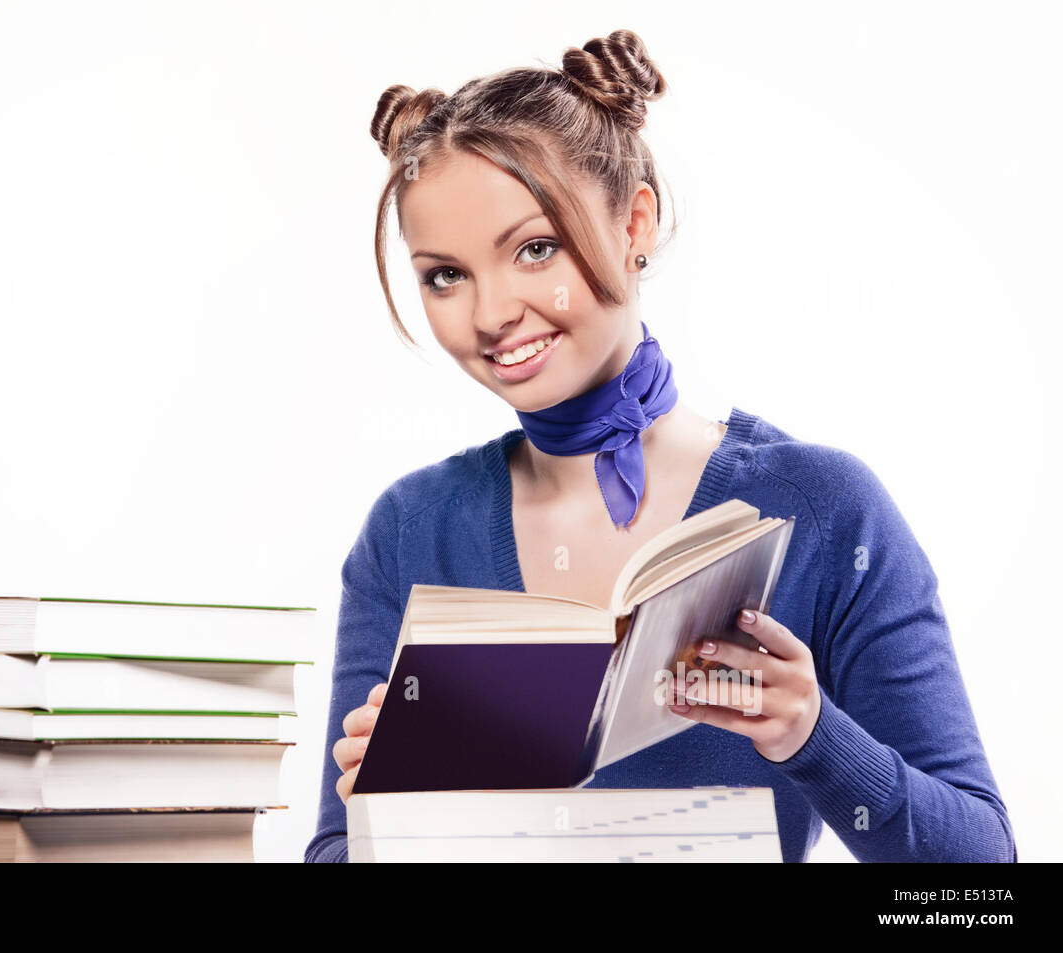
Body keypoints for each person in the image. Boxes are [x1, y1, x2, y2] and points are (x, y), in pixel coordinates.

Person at [304, 29, 1015, 863]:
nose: (490, 313)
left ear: (635, 220)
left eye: (536, 249)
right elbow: (332, 853)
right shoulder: (410, 528)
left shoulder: (824, 506)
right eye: (444, 275)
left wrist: (812, 735)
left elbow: (981, 872)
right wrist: (400, 830)